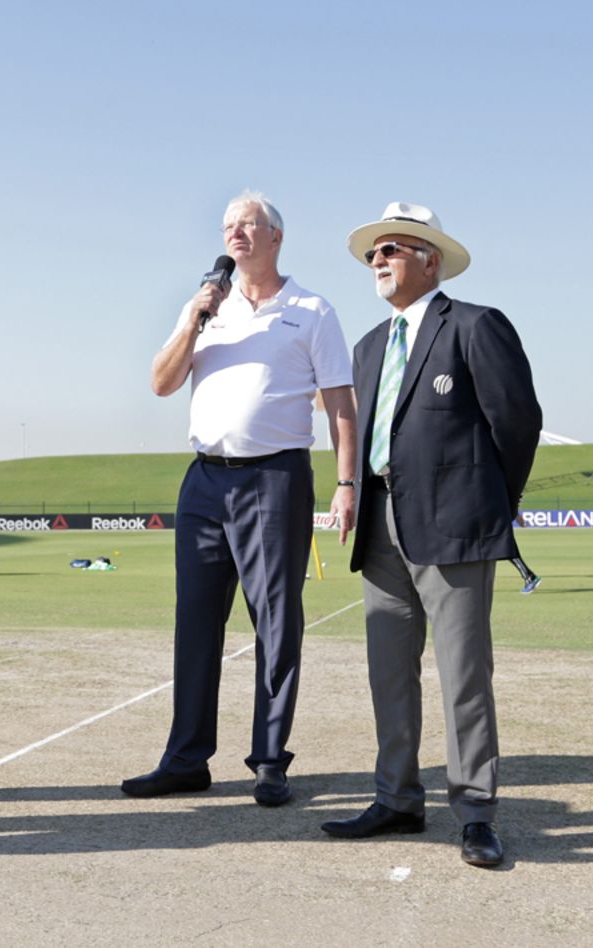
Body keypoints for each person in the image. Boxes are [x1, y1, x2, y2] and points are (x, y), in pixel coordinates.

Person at [320, 203, 542, 868]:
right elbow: (358, 440)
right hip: (382, 530)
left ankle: (474, 812)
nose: (378, 261)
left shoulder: (474, 326)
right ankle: (397, 799)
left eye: (392, 248)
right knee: (389, 673)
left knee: (464, 677)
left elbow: (519, 420)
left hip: (456, 527)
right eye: (372, 254)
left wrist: (487, 501)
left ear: (430, 260)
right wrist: (352, 490)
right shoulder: (365, 348)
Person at [121, 191, 356, 806]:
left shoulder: (312, 310)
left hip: (274, 479)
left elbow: (340, 406)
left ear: (276, 236)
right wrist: (196, 318)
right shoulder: (204, 306)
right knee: (195, 623)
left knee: (276, 622)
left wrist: (346, 482)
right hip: (204, 480)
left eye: (247, 225)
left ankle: (270, 760)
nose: (235, 235)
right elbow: (162, 381)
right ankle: (185, 759)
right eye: (228, 226)